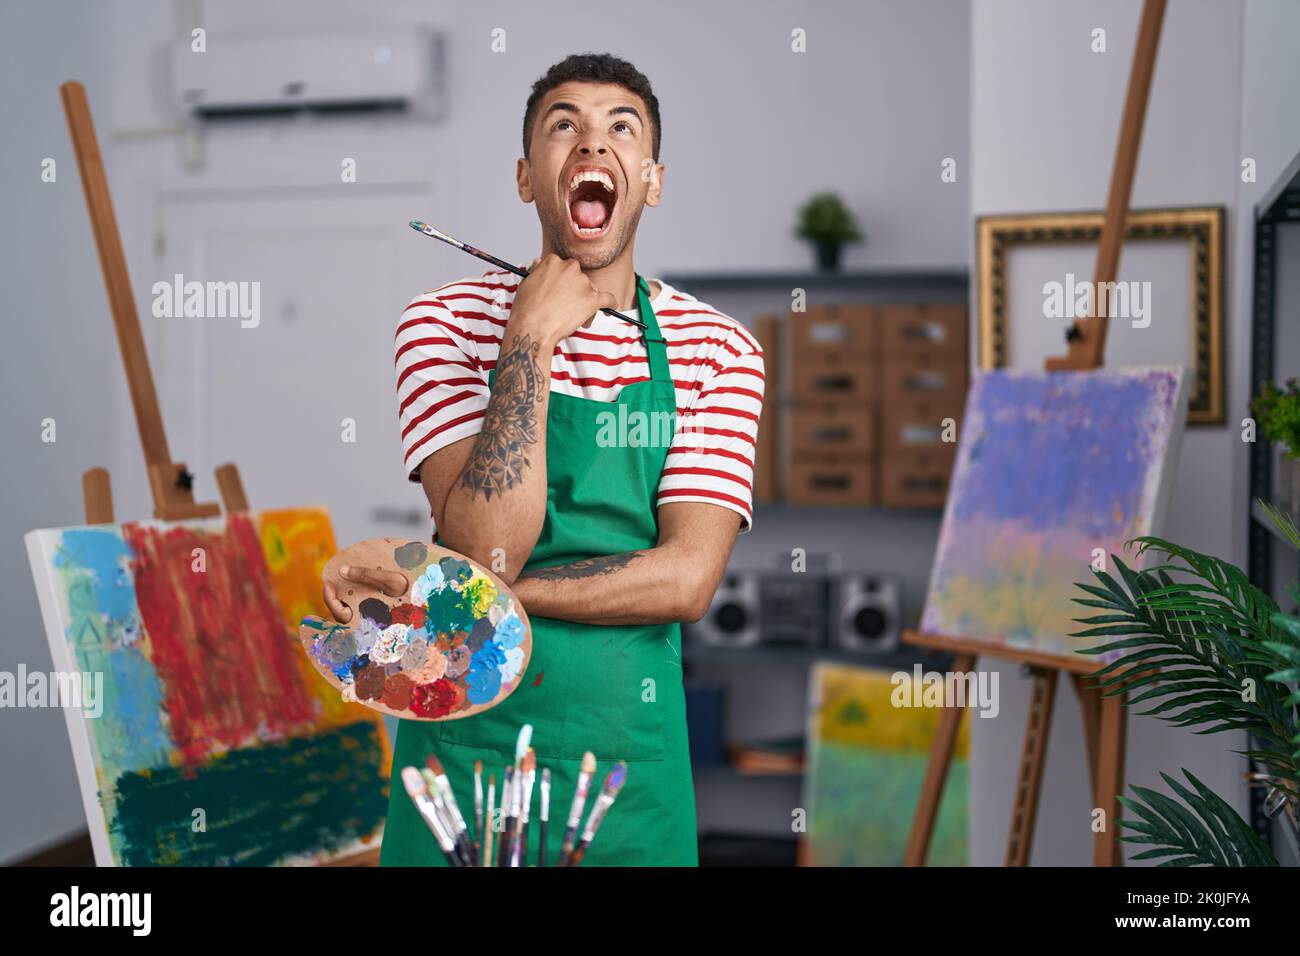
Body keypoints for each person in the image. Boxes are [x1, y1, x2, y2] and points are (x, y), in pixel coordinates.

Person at [329, 53, 764, 866]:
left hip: (627, 762)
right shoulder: (441, 325)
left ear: (652, 180)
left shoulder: (719, 350)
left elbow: (686, 580)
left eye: (620, 129)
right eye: (564, 125)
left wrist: (461, 590)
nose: (593, 145)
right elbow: (491, 544)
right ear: (529, 177)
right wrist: (528, 338)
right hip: (463, 751)